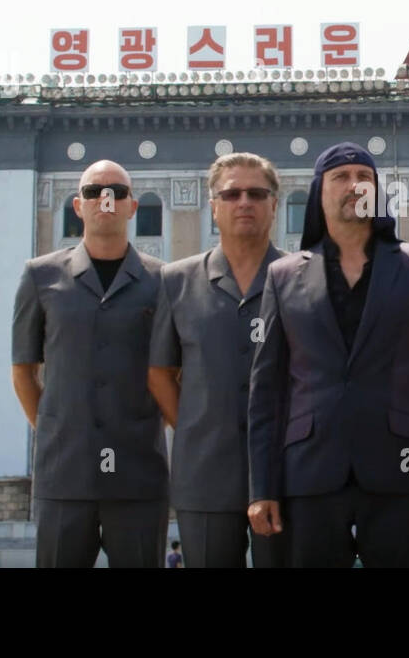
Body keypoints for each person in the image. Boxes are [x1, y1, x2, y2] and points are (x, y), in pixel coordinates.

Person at [247, 141, 409, 568]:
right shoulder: (283, 276)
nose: (354, 185)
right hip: (308, 473)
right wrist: (262, 487)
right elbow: (266, 391)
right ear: (318, 192)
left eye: (364, 177)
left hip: (397, 472)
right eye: (341, 177)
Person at [12, 159, 168, 568]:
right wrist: (55, 427)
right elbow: (24, 370)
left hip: (138, 474)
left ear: (132, 206)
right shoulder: (40, 277)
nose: (106, 200)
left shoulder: (162, 280)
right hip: (65, 474)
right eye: (94, 191)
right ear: (77, 206)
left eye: (117, 192)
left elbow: (174, 371)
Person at [148, 152, 289, 568]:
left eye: (256, 193)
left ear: (274, 204)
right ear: (213, 206)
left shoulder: (302, 276)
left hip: (287, 473)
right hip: (205, 475)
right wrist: (196, 425)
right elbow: (159, 373)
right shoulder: (176, 281)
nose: (243, 202)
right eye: (231, 194)